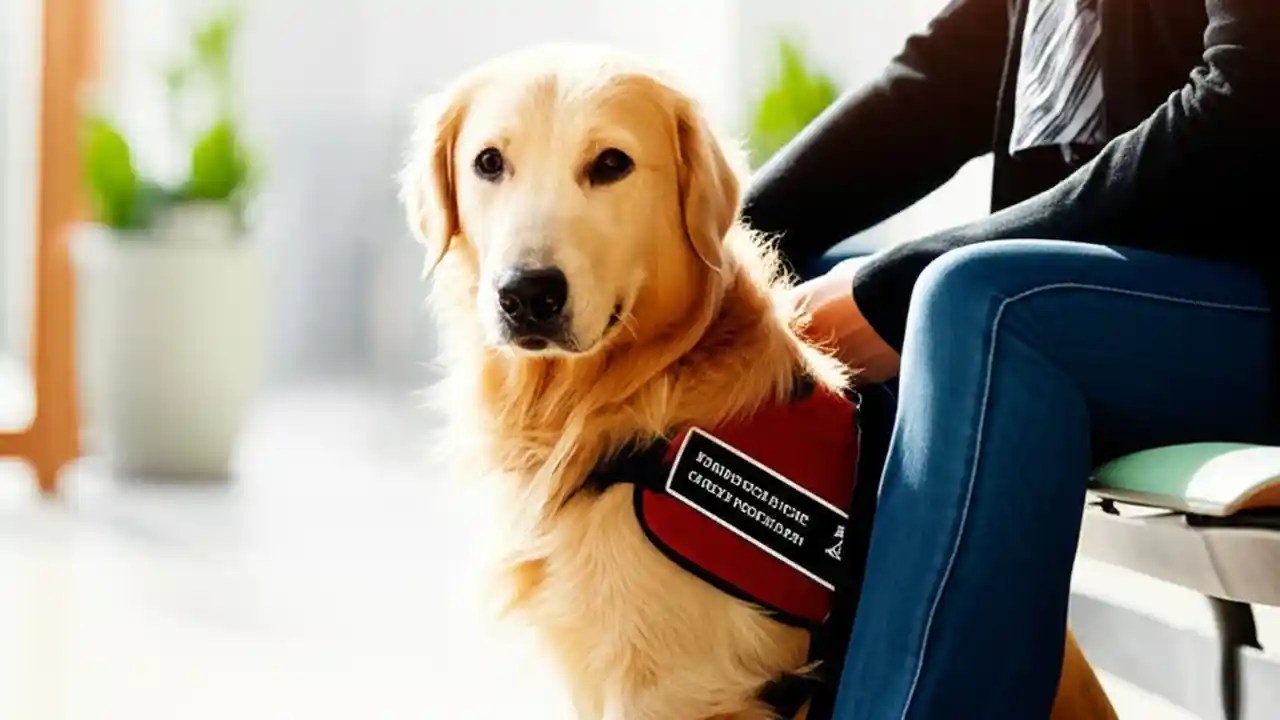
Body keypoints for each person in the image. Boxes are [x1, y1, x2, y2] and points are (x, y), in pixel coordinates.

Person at [741, 0, 1280, 717]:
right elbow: (947, 76)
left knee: (980, 306)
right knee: (804, 278)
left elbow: (1245, 103)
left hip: (1249, 299)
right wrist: (714, 258)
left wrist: (888, 289)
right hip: (1153, 298)